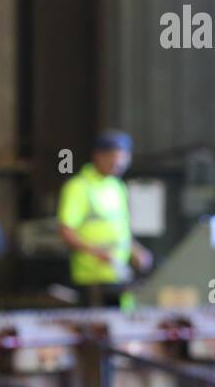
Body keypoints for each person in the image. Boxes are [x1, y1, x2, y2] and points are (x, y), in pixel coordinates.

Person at [57, 130, 152, 308]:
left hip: (119, 276)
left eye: (124, 159)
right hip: (91, 279)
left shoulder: (118, 187)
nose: (119, 164)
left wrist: (136, 250)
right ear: (98, 156)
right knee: (97, 329)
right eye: (114, 158)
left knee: (121, 327)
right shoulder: (78, 187)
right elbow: (66, 230)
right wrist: (96, 252)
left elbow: (120, 231)